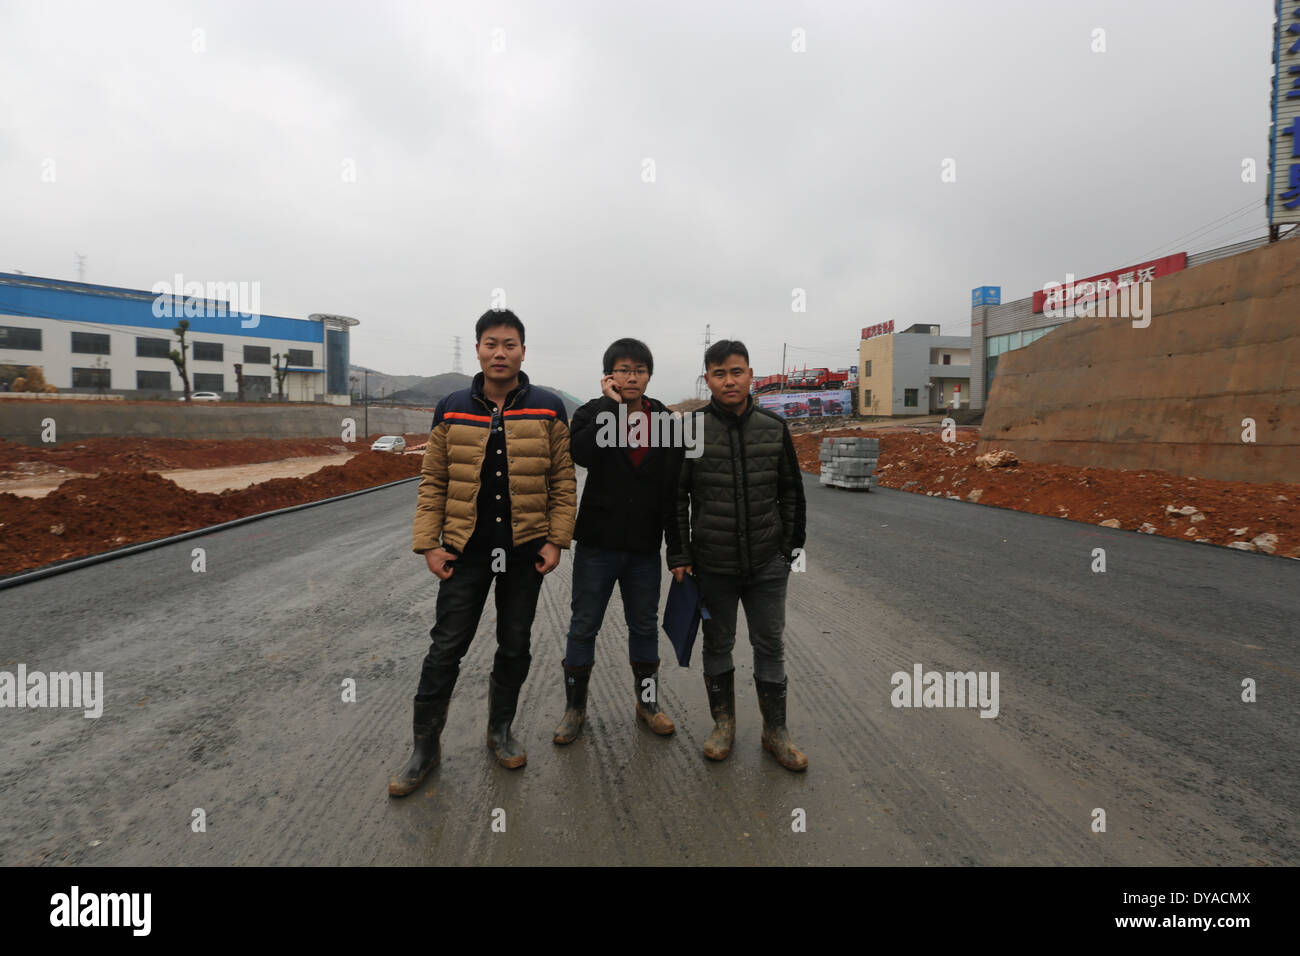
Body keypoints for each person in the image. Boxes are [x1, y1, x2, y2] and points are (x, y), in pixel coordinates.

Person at [389, 309, 576, 797]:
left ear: (522, 351)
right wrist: (429, 543)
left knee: (515, 644)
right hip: (465, 552)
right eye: (491, 343)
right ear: (477, 349)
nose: (500, 352)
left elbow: (562, 481)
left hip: (523, 553)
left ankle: (500, 731)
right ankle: (424, 749)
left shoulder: (548, 406)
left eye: (509, 343)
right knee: (446, 648)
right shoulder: (451, 407)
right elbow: (433, 480)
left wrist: (556, 539)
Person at [665, 339, 809, 772]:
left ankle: (775, 732)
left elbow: (791, 492)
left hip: (767, 562)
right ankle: (723, 725)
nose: (729, 380)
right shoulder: (690, 430)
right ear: (706, 378)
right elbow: (677, 499)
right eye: (719, 373)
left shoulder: (774, 427)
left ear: (750, 374)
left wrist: (789, 549)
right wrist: (680, 554)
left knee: (769, 643)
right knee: (718, 643)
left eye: (737, 371)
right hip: (714, 564)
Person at [553, 338, 682, 745]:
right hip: (598, 544)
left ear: (649, 375)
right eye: (624, 369)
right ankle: (575, 709)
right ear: (609, 375)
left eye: (640, 370)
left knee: (644, 626)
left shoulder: (663, 419)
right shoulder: (592, 413)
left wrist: (677, 549)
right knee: (583, 626)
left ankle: (648, 705)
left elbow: (673, 490)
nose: (632, 377)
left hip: (644, 548)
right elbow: (583, 454)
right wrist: (613, 407)